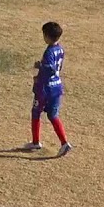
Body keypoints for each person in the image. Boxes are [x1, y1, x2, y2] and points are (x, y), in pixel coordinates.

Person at [23, 21, 72, 157]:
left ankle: (36, 141)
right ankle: (64, 143)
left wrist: (40, 68)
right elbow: (57, 68)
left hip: (45, 89)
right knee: (53, 115)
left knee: (35, 112)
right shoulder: (60, 49)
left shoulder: (49, 52)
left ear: (47, 36)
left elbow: (50, 69)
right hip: (57, 86)